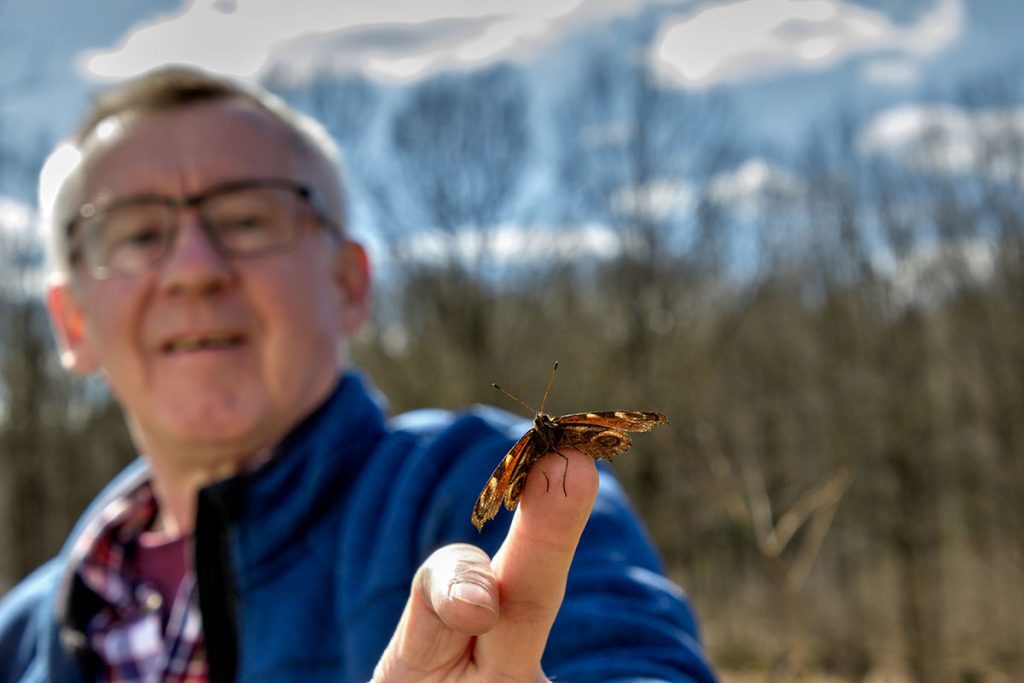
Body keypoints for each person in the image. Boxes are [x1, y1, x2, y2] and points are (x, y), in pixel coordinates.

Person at [0, 66, 717, 682]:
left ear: (348, 284)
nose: (193, 269)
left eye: (247, 219)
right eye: (137, 234)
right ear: (71, 322)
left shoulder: (478, 488)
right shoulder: (21, 635)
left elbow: (626, 655)